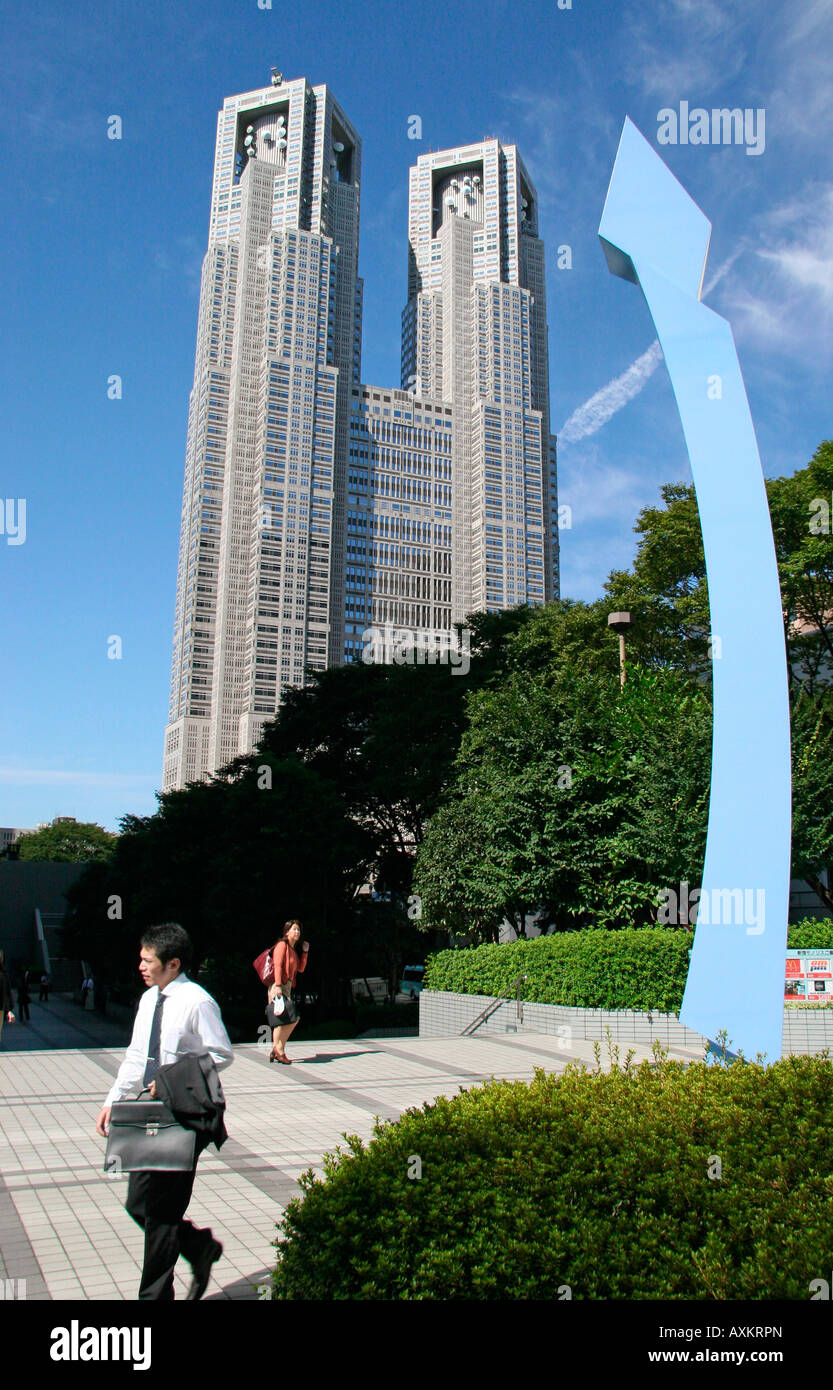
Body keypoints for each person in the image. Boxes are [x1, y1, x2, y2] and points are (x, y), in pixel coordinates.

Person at [95, 923, 234, 1301]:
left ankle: (154, 1297)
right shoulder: (148, 1000)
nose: (140, 966)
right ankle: (198, 1247)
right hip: (150, 1113)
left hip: (187, 1116)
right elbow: (137, 1056)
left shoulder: (197, 1001)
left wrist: (170, 1080)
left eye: (147, 960)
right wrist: (112, 1100)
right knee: (140, 1204)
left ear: (172, 964)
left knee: (160, 1213)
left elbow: (221, 1053)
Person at [267, 919, 309, 1065]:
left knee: (283, 1020)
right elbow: (277, 966)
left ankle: (276, 1050)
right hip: (278, 986)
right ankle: (279, 1050)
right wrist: (278, 985)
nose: (297, 932)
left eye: (298, 930)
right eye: (294, 929)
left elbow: (301, 969)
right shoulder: (281, 945)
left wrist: (304, 952)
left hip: (287, 987)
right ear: (287, 932)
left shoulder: (292, 950)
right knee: (288, 1019)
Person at [0, 951, 14, 1043]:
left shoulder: (3, 974)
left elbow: (7, 993)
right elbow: (7, 993)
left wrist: (9, 1010)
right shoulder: (3, 974)